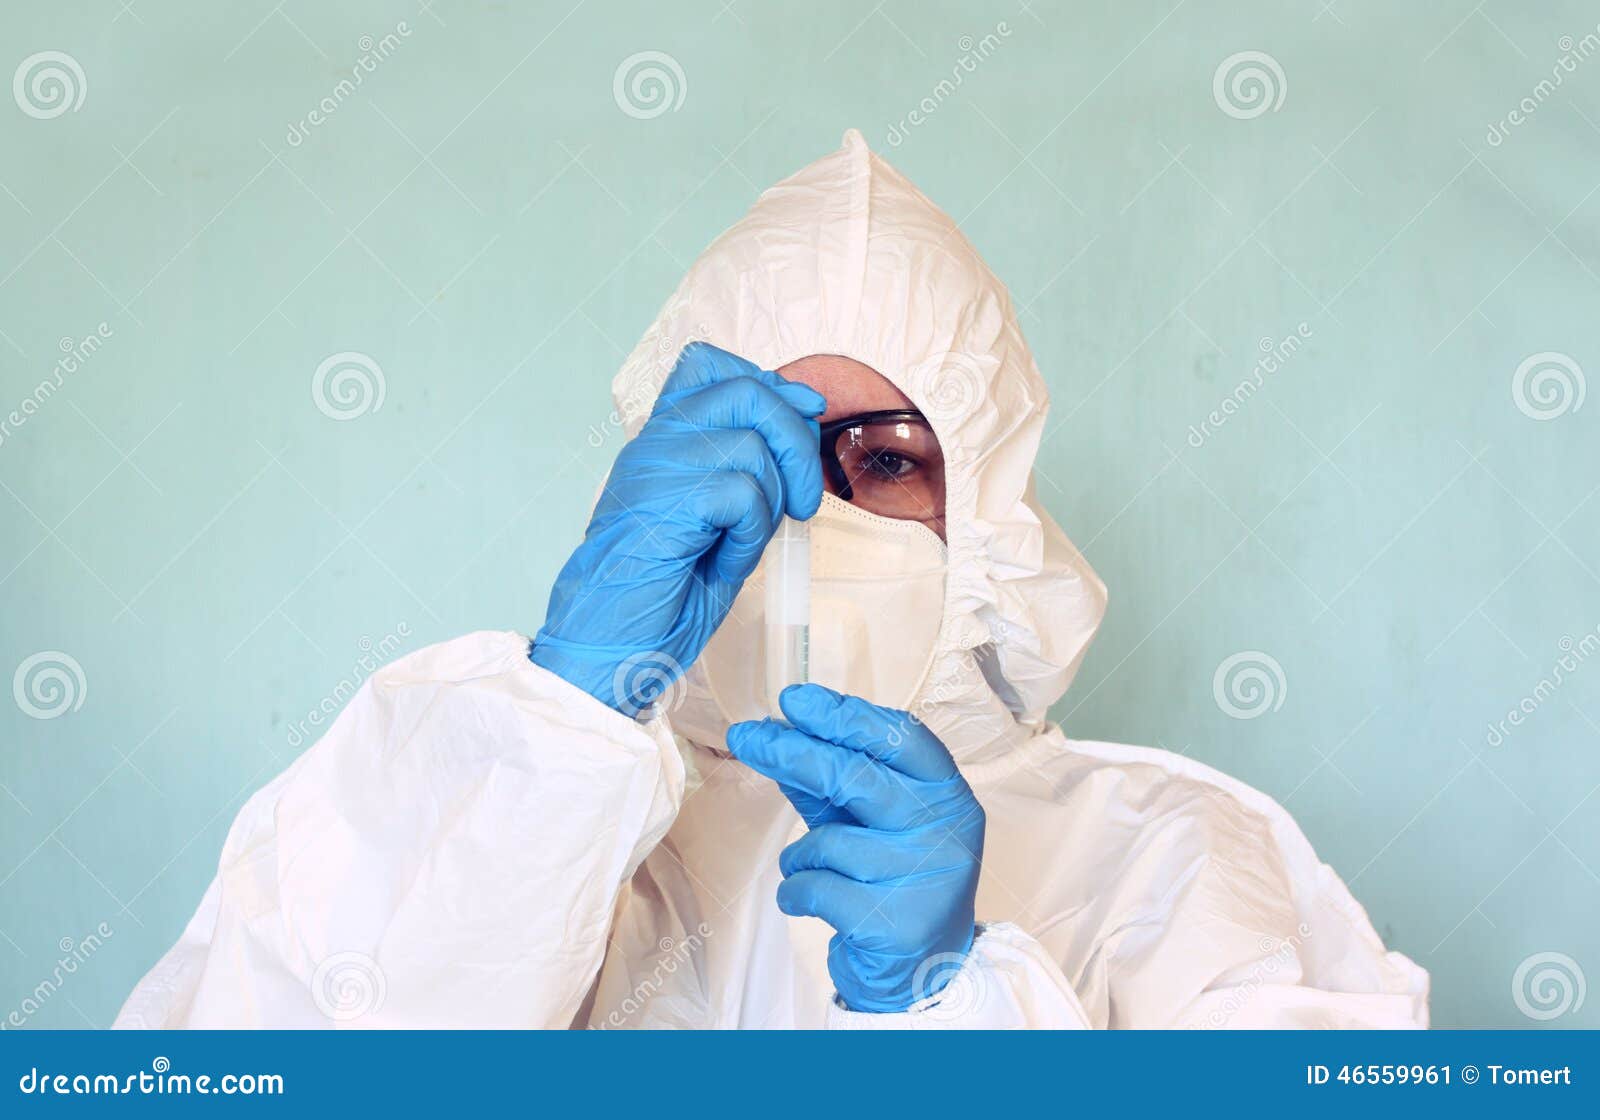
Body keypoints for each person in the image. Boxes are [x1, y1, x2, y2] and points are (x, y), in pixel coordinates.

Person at [117, 131, 1427, 1029]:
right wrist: (561, 729)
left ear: (984, 513)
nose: (813, 516)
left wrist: (950, 1006)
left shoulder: (1168, 860)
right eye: (754, 458)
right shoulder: (449, 801)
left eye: (888, 460)